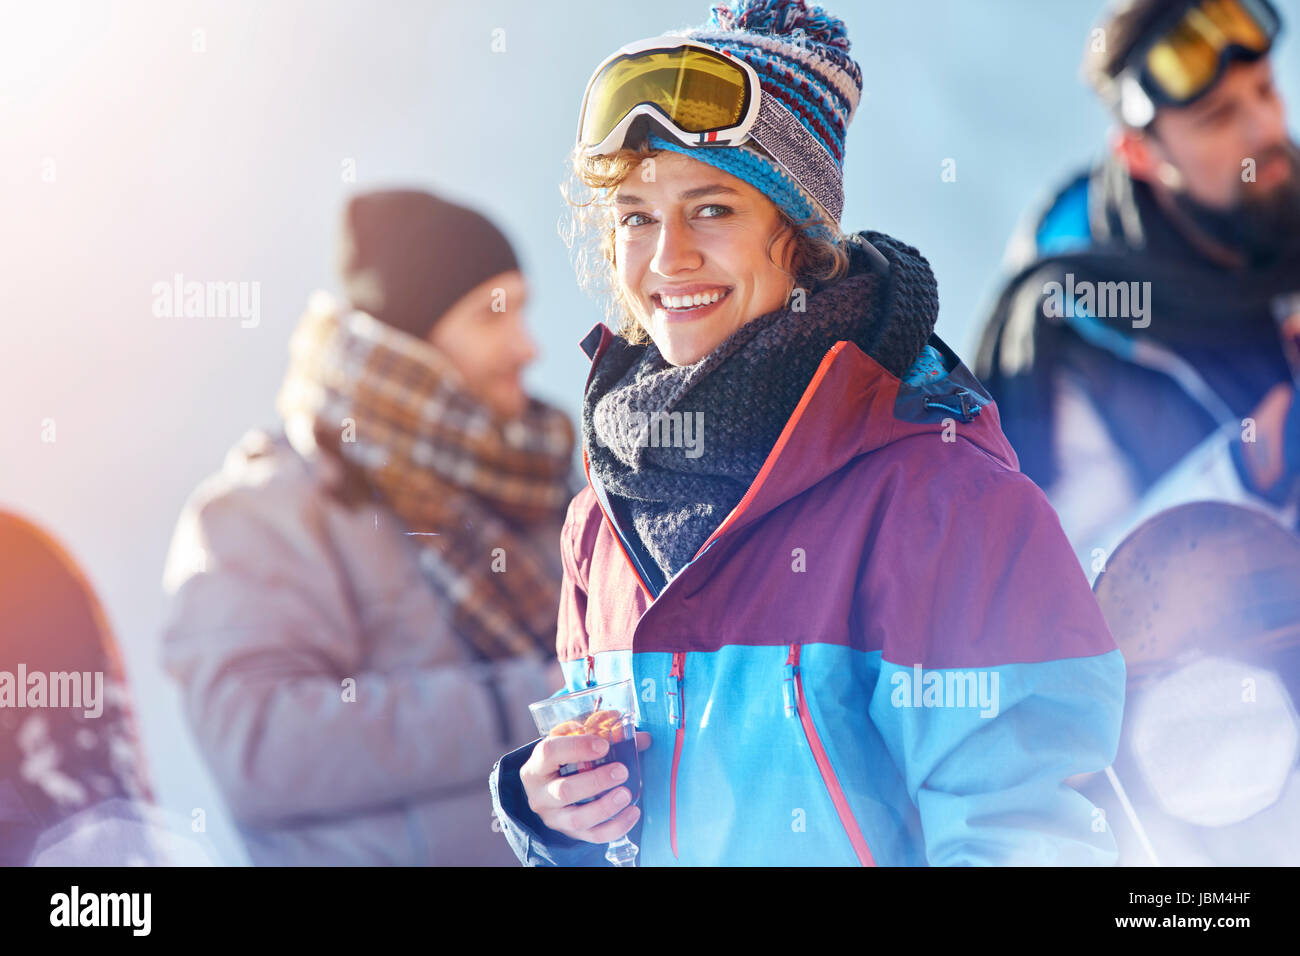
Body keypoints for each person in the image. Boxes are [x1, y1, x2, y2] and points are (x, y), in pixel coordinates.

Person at [489, 0, 1126, 866]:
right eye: (636, 216)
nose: (666, 258)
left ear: (800, 239)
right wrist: (560, 821)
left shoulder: (944, 504)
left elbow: (1029, 836)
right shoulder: (601, 521)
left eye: (711, 209)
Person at [160, 190, 580, 865]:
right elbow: (260, 746)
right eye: (490, 316)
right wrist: (539, 702)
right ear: (406, 340)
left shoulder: (538, 486)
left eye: (521, 309)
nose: (525, 346)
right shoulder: (261, 512)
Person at [975, 0, 1300, 575]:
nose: (1266, 129)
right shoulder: (1071, 335)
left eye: (1266, 90)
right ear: (1141, 153)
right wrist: (1249, 471)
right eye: (1219, 117)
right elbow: (1068, 593)